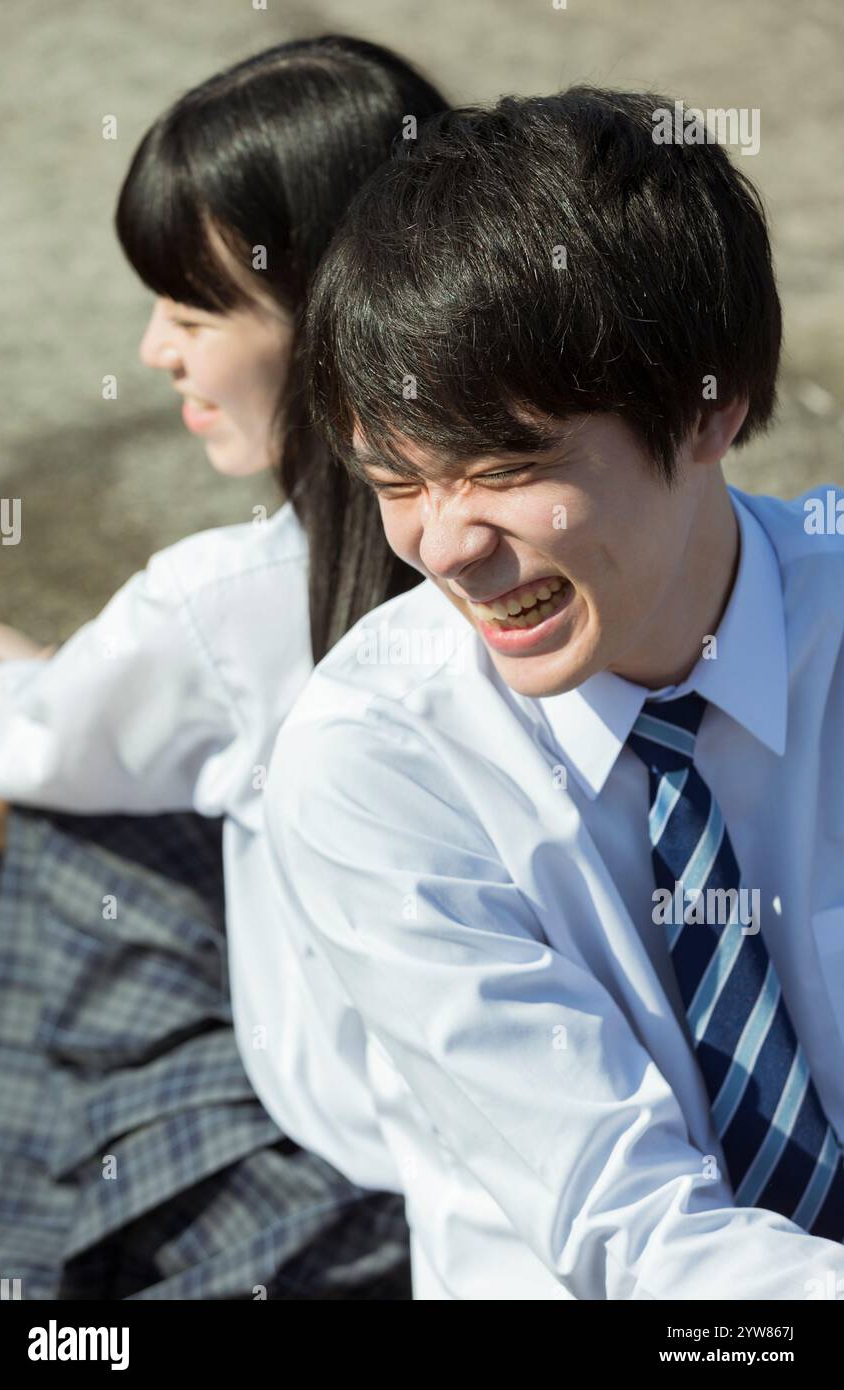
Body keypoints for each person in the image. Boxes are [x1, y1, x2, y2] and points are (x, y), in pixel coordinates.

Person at [258, 89, 844, 1299]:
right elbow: (633, 1231)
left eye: (503, 468)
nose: (441, 545)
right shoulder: (378, 758)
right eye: (394, 479)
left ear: (707, 408)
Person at [0, 35, 446, 1300]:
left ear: (340, 328)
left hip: (336, 1188)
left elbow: (17, 755)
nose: (152, 351)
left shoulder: (222, 602)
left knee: (75, 844)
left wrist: (37, 683)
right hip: (485, 1182)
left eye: (192, 313)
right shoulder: (543, 562)